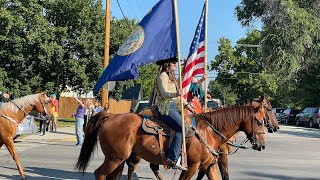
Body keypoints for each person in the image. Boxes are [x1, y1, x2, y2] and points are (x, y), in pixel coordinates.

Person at [154, 58, 196, 171]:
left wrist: (187, 106)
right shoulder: (162, 76)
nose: (175, 64)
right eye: (173, 62)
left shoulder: (171, 79)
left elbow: (179, 97)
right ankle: (172, 158)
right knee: (183, 128)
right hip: (165, 108)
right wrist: (176, 93)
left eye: (175, 63)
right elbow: (163, 93)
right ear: (166, 64)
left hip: (174, 107)